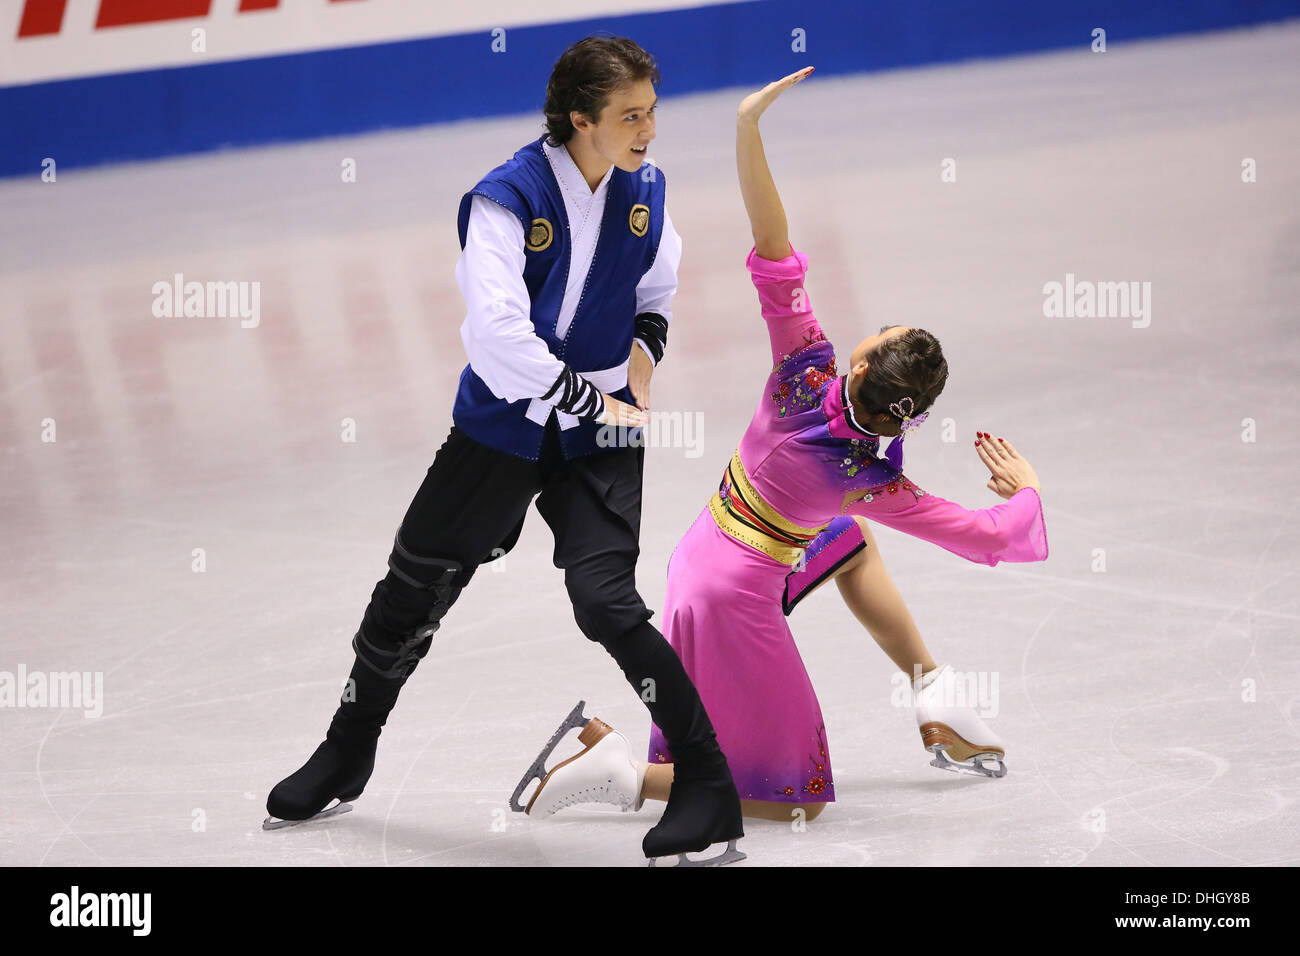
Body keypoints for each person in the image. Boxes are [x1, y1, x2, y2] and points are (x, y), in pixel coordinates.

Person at [521, 66, 1048, 823]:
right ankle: (613, 771)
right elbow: (985, 536)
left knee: (847, 538)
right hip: (726, 600)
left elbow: (774, 242)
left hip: (715, 553)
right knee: (786, 798)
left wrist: (747, 129)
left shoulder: (803, 366)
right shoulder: (869, 474)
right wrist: (1026, 487)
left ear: (860, 365)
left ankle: (937, 697)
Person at [264, 35, 744, 865]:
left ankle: (707, 782)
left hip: (599, 430)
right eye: (632, 116)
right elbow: (496, 335)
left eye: (652, 112)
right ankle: (349, 745)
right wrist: (583, 397)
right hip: (505, 421)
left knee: (605, 601)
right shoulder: (506, 199)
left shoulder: (646, 189)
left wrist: (644, 358)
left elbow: (654, 290)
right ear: (579, 119)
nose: (649, 131)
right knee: (413, 588)